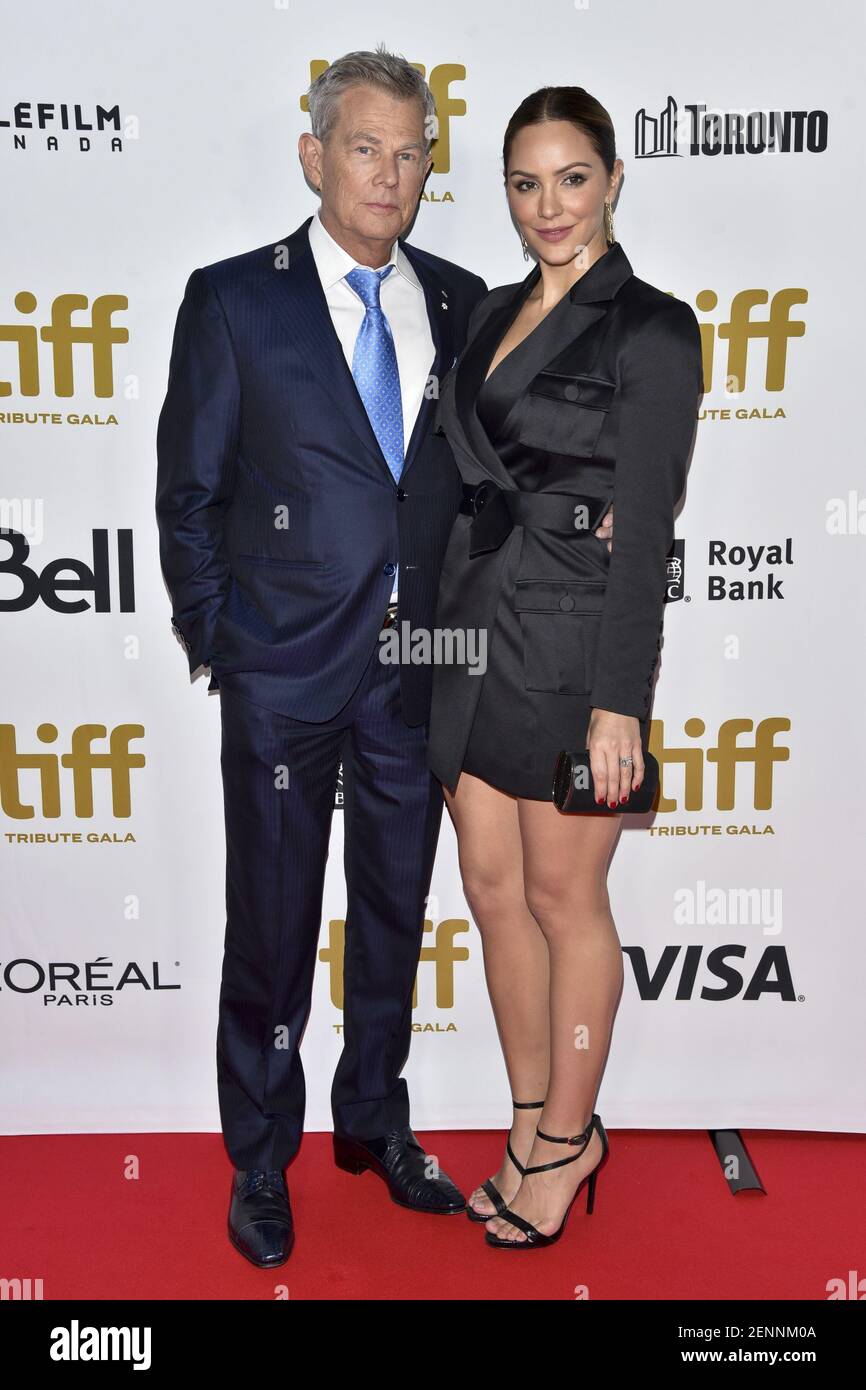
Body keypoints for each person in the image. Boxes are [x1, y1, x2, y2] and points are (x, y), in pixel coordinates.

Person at [156, 45, 618, 1268]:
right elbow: (186, 496)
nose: (390, 173)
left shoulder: (466, 301)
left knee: (394, 917)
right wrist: (226, 644)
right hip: (282, 675)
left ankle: (372, 1120)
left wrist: (594, 513)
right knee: (268, 925)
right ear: (314, 157)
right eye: (364, 148)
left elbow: (519, 467)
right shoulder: (232, 301)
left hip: (424, 671)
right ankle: (261, 1158)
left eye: (411, 153)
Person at [427, 86, 703, 1248]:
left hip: (572, 650)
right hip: (469, 637)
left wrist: (617, 707)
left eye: (571, 178)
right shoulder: (485, 313)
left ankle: (567, 1141)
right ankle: (529, 1117)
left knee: (560, 896)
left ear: (613, 178)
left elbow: (640, 533)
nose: (548, 205)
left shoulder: (651, 326)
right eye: (524, 182)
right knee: (492, 894)